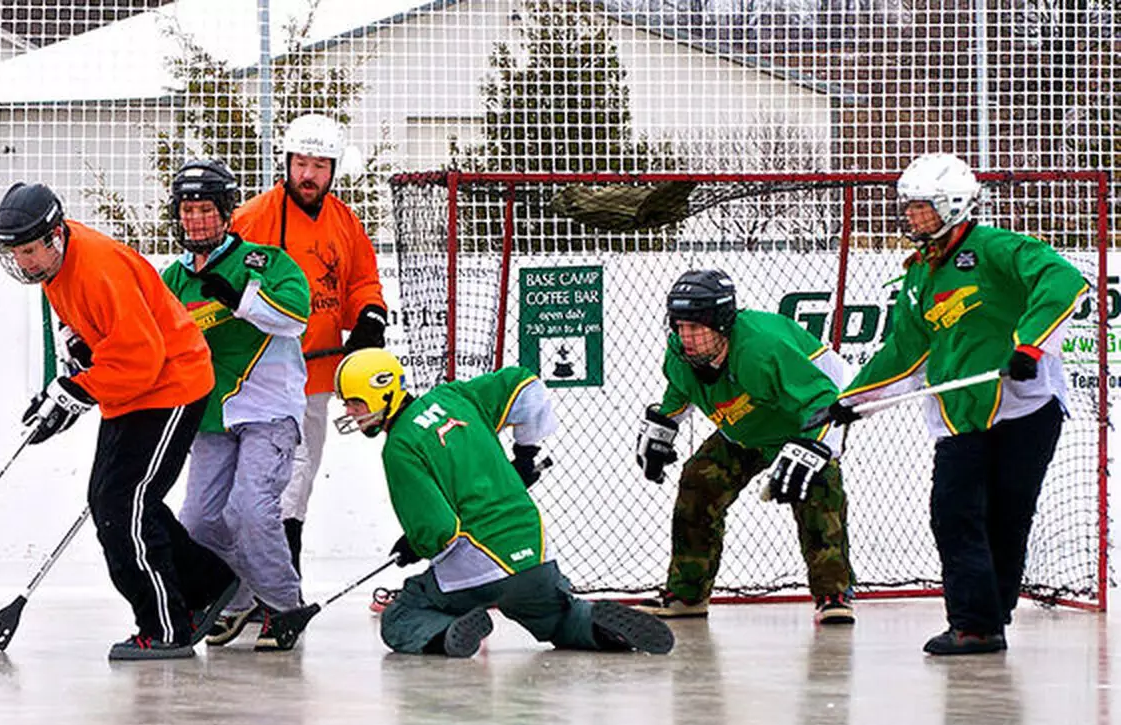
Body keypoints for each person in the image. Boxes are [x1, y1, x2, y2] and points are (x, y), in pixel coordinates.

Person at [822, 153, 1087, 655]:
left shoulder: (997, 249)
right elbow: (904, 351)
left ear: (955, 206)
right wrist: (850, 401)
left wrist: (1030, 346)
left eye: (922, 208)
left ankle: (989, 620)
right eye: (909, 209)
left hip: (1026, 410)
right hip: (959, 416)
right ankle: (972, 622)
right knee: (953, 511)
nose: (911, 218)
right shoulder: (919, 277)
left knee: (1008, 515)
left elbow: (1062, 282)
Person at [0, 182, 238, 661]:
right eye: (15, 253)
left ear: (55, 235)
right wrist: (70, 383)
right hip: (132, 391)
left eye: (28, 251)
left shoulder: (99, 268)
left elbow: (141, 359)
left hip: (171, 385)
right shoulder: (55, 267)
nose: (23, 262)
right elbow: (96, 336)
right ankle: (208, 582)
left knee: (124, 505)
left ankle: (166, 626)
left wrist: (77, 391)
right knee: (111, 500)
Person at [334, 347, 675, 657]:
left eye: (356, 403)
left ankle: (449, 631)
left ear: (385, 392)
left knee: (402, 614)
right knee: (556, 617)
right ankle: (594, 626)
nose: (350, 412)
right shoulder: (456, 396)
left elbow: (439, 531)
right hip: (535, 552)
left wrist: (414, 545)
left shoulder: (399, 448)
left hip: (479, 566)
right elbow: (525, 383)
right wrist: (525, 455)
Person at [633, 269, 855, 625]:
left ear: (721, 324)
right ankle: (687, 595)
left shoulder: (761, 348)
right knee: (698, 480)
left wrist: (814, 449)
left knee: (818, 490)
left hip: (801, 424)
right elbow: (680, 391)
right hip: (743, 432)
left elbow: (821, 399)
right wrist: (664, 426)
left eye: (696, 328)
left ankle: (833, 594)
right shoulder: (679, 353)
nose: (685, 337)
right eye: (679, 326)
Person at [161, 160, 312, 650]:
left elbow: (295, 317)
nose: (197, 219)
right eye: (188, 209)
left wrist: (240, 299)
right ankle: (236, 597)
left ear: (227, 213)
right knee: (199, 521)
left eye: (206, 209)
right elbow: (152, 335)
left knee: (251, 510)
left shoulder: (264, 261)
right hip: (208, 416)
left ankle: (284, 606)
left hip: (268, 412)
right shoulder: (172, 278)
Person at [231, 113, 387, 574]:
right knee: (264, 482)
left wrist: (369, 317)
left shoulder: (344, 221)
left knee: (298, 483)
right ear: (287, 161)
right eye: (301, 162)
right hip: (262, 377)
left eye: (320, 165)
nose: (308, 175)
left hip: (317, 376)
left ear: (333, 169)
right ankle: (251, 580)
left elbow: (361, 281)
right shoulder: (254, 218)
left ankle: (279, 585)